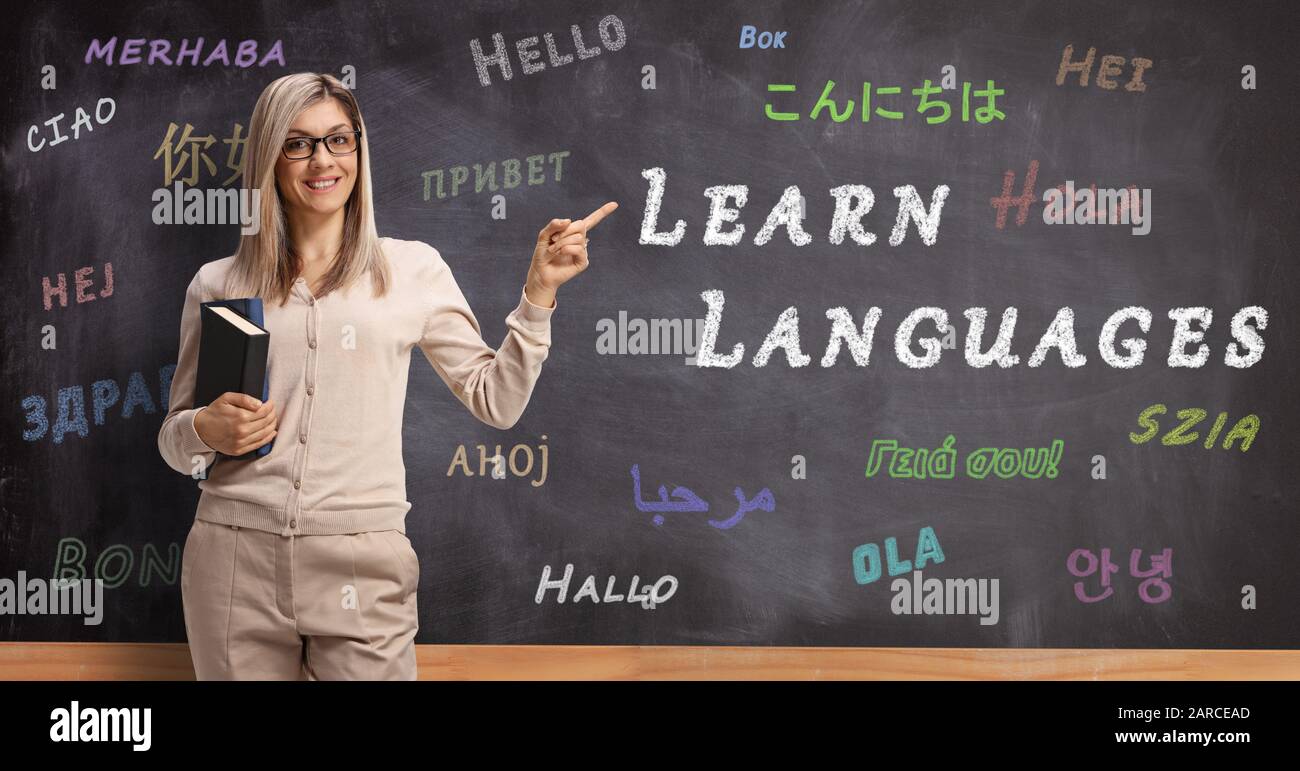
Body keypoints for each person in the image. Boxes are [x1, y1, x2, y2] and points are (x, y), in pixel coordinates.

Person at [157, 72, 617, 680]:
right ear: (270, 157)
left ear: (358, 149)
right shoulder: (218, 283)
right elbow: (173, 441)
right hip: (233, 558)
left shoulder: (412, 269)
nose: (322, 160)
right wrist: (204, 430)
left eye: (337, 140)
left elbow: (495, 401)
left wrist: (537, 297)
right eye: (298, 144)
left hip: (361, 561)